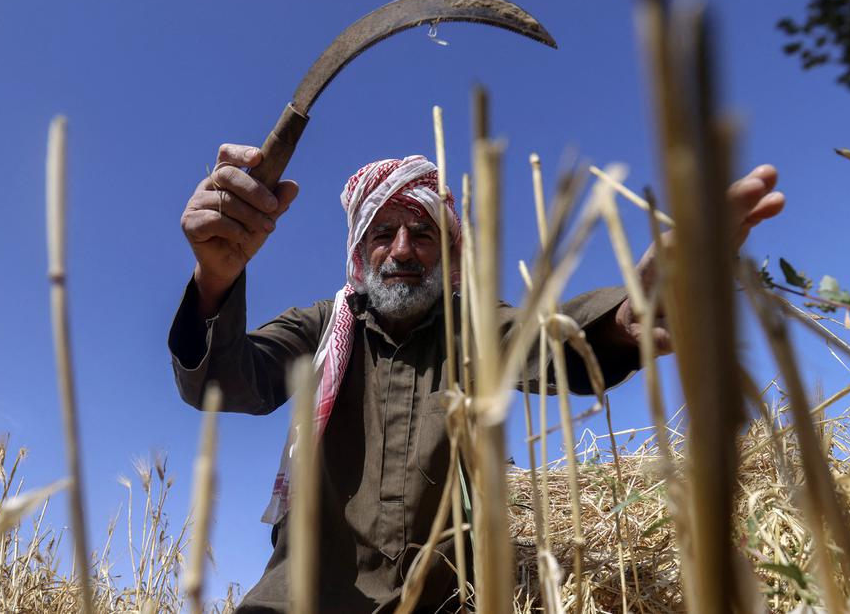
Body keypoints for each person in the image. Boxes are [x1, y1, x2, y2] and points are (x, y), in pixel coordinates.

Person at [168, 145, 784, 613]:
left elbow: (547, 341)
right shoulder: (320, 328)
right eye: (384, 233)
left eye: (423, 234)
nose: (404, 250)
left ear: (449, 250)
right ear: (361, 250)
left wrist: (628, 316)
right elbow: (225, 383)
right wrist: (216, 280)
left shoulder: (472, 327)